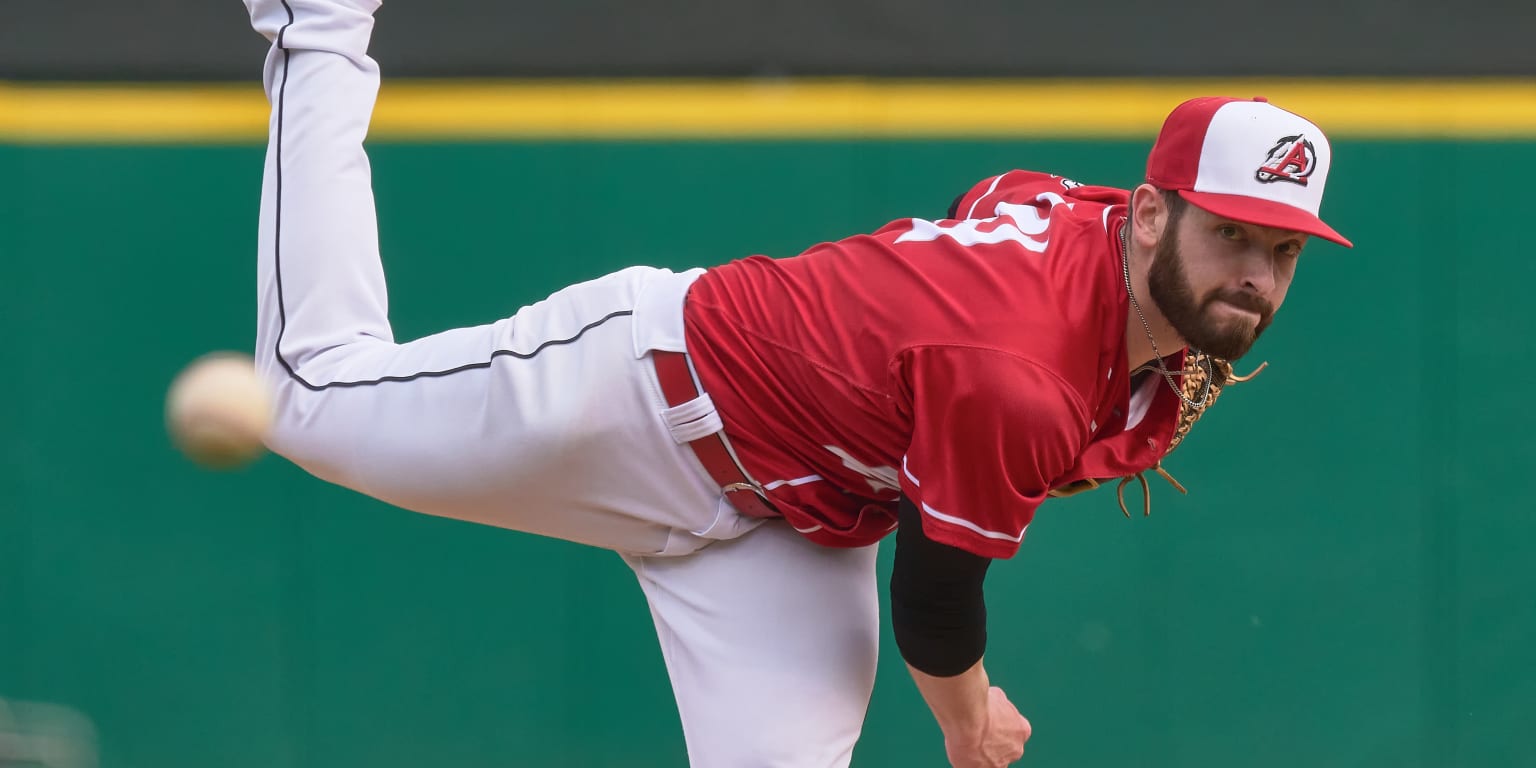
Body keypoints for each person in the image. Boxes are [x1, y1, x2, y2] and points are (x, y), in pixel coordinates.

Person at [241, 1, 1352, 765]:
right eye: (1232, 236)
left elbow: (995, 195)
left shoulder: (1088, 217)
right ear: (1155, 213)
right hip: (635, 396)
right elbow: (933, 602)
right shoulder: (1019, 378)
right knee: (312, 401)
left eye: (1283, 252)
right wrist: (969, 727)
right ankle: (320, 25)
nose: (1255, 276)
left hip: (794, 523)